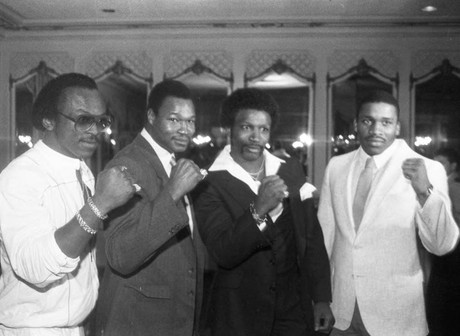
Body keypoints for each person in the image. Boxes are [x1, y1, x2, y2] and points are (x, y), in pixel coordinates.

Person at [0, 73, 137, 336]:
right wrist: (99, 203)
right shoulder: (20, 177)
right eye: (83, 119)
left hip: (72, 326)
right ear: (48, 120)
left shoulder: (82, 170)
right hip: (31, 329)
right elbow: (37, 269)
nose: (94, 130)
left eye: (101, 121)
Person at [192, 88, 334, 336]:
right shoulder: (208, 181)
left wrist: (322, 298)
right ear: (230, 129)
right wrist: (259, 208)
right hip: (240, 314)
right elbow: (223, 251)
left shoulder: (289, 168)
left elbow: (311, 237)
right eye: (247, 127)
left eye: (263, 129)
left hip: (293, 309)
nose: (256, 137)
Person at [317, 90, 459, 336]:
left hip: (396, 312)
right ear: (356, 124)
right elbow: (325, 237)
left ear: (397, 127)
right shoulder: (337, 167)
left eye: (386, 122)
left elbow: (441, 245)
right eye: (367, 121)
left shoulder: (427, 168)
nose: (375, 130)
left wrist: (425, 192)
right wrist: (319, 297)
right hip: (342, 310)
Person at [95, 80, 207, 336]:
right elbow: (120, 255)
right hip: (138, 321)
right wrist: (173, 192)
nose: (185, 129)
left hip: (169, 320)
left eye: (190, 121)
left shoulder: (169, 160)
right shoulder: (128, 163)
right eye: (175, 120)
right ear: (151, 116)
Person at [426, 147, 460, 336]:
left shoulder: (453, 186)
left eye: (442, 162)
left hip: (452, 252)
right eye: (435, 161)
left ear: (453, 165)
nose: (437, 166)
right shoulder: (439, 184)